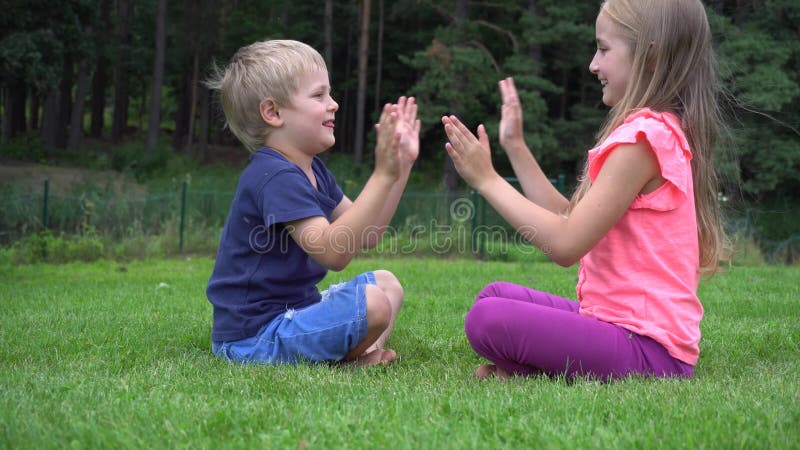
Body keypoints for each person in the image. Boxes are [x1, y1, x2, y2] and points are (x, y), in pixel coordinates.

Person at [441, 0, 727, 380]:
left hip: (649, 351)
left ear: (651, 58)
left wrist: (486, 180)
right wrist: (516, 146)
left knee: (487, 319)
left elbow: (565, 244)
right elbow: (570, 218)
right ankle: (533, 367)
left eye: (604, 49)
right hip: (616, 326)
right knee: (493, 296)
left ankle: (529, 369)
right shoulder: (653, 133)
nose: (593, 64)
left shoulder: (644, 141)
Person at [205, 39, 420, 367]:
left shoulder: (311, 168)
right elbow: (334, 253)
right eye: (319, 95)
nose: (333, 104)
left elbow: (369, 233)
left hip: (295, 312)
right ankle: (350, 358)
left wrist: (398, 170)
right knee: (373, 303)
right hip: (255, 336)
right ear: (273, 112)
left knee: (386, 283)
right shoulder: (274, 175)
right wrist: (380, 174)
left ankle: (363, 348)